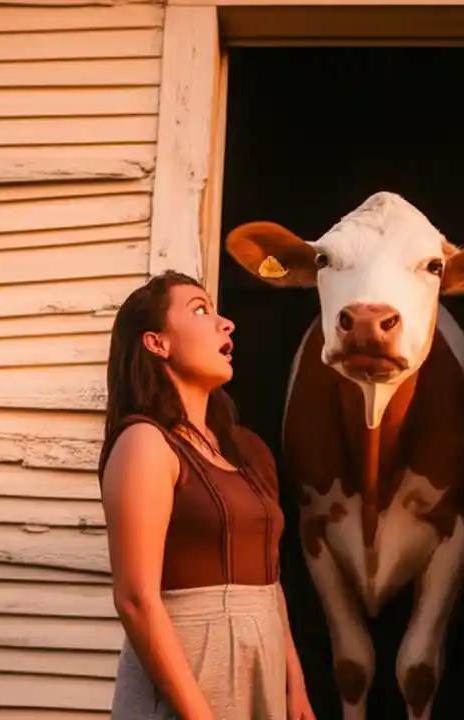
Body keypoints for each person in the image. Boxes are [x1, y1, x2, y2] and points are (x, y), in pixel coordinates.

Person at [98, 270, 315, 720]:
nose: (225, 323)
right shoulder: (145, 443)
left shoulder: (248, 450)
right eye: (200, 310)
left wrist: (295, 686)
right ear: (158, 343)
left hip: (265, 660)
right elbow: (136, 599)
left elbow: (271, 582)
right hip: (190, 665)